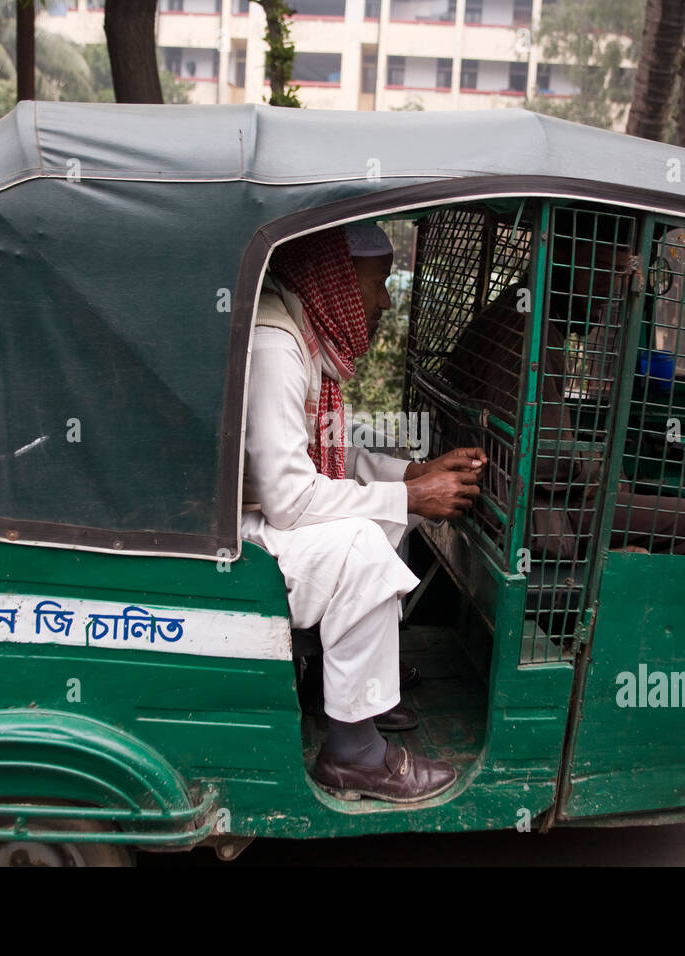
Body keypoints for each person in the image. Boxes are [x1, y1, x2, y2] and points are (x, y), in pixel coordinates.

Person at [241, 221, 486, 803]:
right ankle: (355, 753)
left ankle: (348, 685)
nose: (381, 302)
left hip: (258, 512)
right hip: (236, 531)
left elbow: (328, 449)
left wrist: (412, 474)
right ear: (336, 280)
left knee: (379, 520)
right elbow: (292, 499)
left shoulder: (300, 330)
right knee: (361, 545)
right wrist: (409, 497)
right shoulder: (277, 347)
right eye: (376, 284)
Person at [442, 215, 685, 559]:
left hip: (507, 498)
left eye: (618, 274)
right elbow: (543, 459)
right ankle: (626, 601)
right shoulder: (532, 334)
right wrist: (598, 469)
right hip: (523, 513)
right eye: (598, 268)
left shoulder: (525, 313)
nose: (610, 287)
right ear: (560, 262)